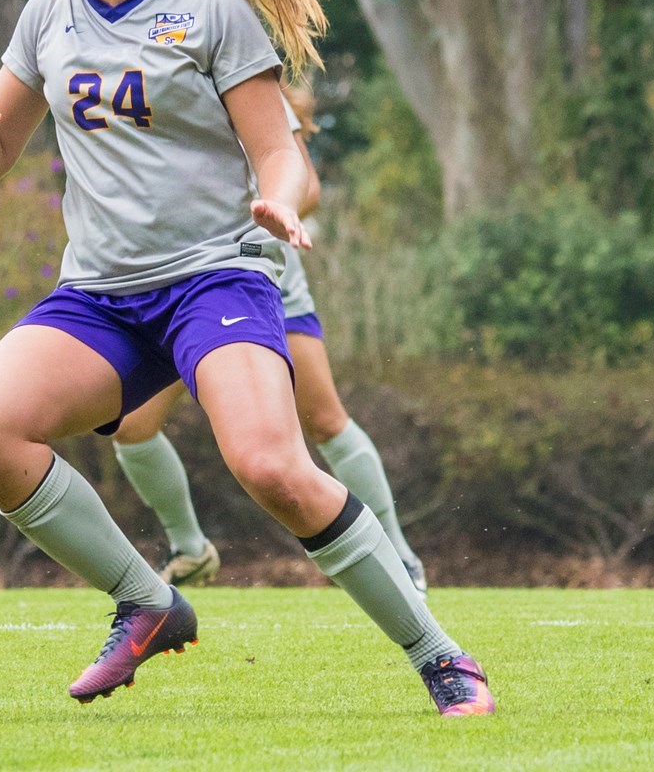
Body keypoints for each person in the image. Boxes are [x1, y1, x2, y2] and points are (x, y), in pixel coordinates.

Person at [0, 0, 493, 716]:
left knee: (271, 464)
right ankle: (147, 601)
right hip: (101, 298)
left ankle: (440, 656)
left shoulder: (208, 10)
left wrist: (281, 199)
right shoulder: (47, 13)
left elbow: (284, 154)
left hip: (213, 280)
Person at [112, 86, 427, 595]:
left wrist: (266, 206)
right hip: (176, 283)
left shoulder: (239, 72)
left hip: (257, 283)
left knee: (323, 420)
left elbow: (309, 189)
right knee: (131, 427)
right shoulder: (156, 74)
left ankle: (401, 556)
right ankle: (190, 549)